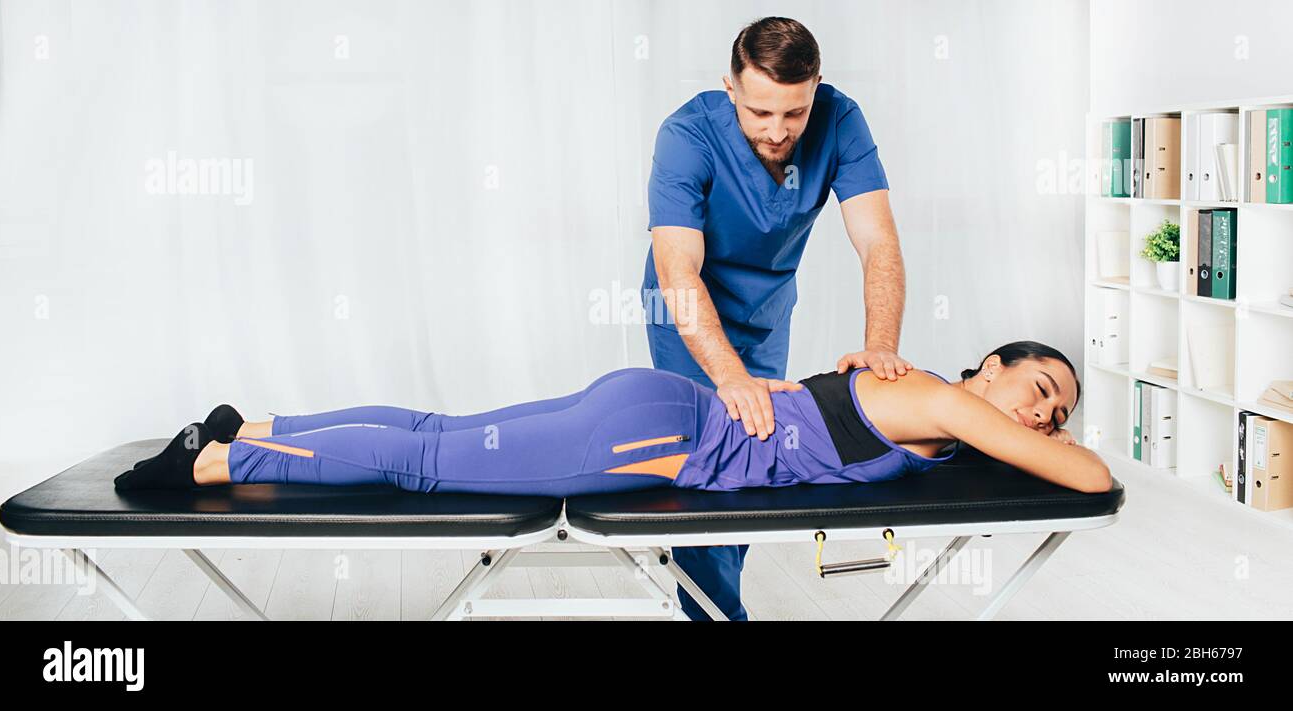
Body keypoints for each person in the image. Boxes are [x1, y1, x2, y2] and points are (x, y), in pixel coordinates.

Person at [114, 342, 1112, 507]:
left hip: (655, 403)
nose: (1042, 412)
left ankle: (257, 419)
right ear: (992, 365)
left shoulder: (916, 385)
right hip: (653, 442)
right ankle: (215, 461)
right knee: (424, 462)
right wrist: (1062, 447)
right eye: (1039, 388)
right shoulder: (940, 399)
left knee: (438, 425)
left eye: (1055, 411)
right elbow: (1092, 478)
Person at [642, 17, 909, 619]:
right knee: (713, 456)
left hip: (766, 309)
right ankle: (713, 612)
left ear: (816, 88)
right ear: (730, 87)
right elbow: (678, 268)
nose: (778, 131)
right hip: (687, 307)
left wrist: (881, 346)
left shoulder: (840, 120)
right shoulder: (687, 134)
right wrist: (729, 377)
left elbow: (878, 243)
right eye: (760, 113)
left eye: (795, 113)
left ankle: (707, 600)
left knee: (757, 455)